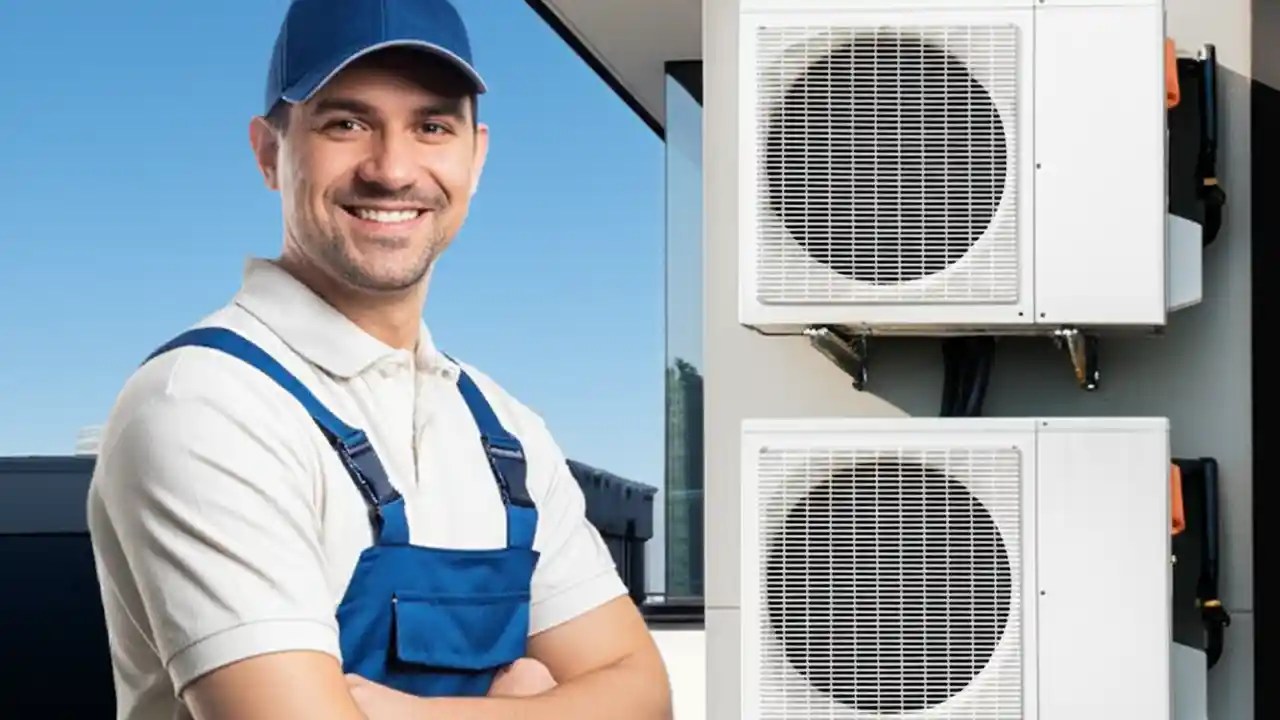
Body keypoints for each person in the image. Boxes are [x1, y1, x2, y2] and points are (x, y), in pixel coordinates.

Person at [84, 0, 673, 718]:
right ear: (270, 153)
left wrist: (407, 712)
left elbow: (643, 696)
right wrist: (536, 700)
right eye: (346, 123)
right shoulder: (205, 405)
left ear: (476, 156)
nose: (392, 170)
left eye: (431, 126)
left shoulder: (505, 434)